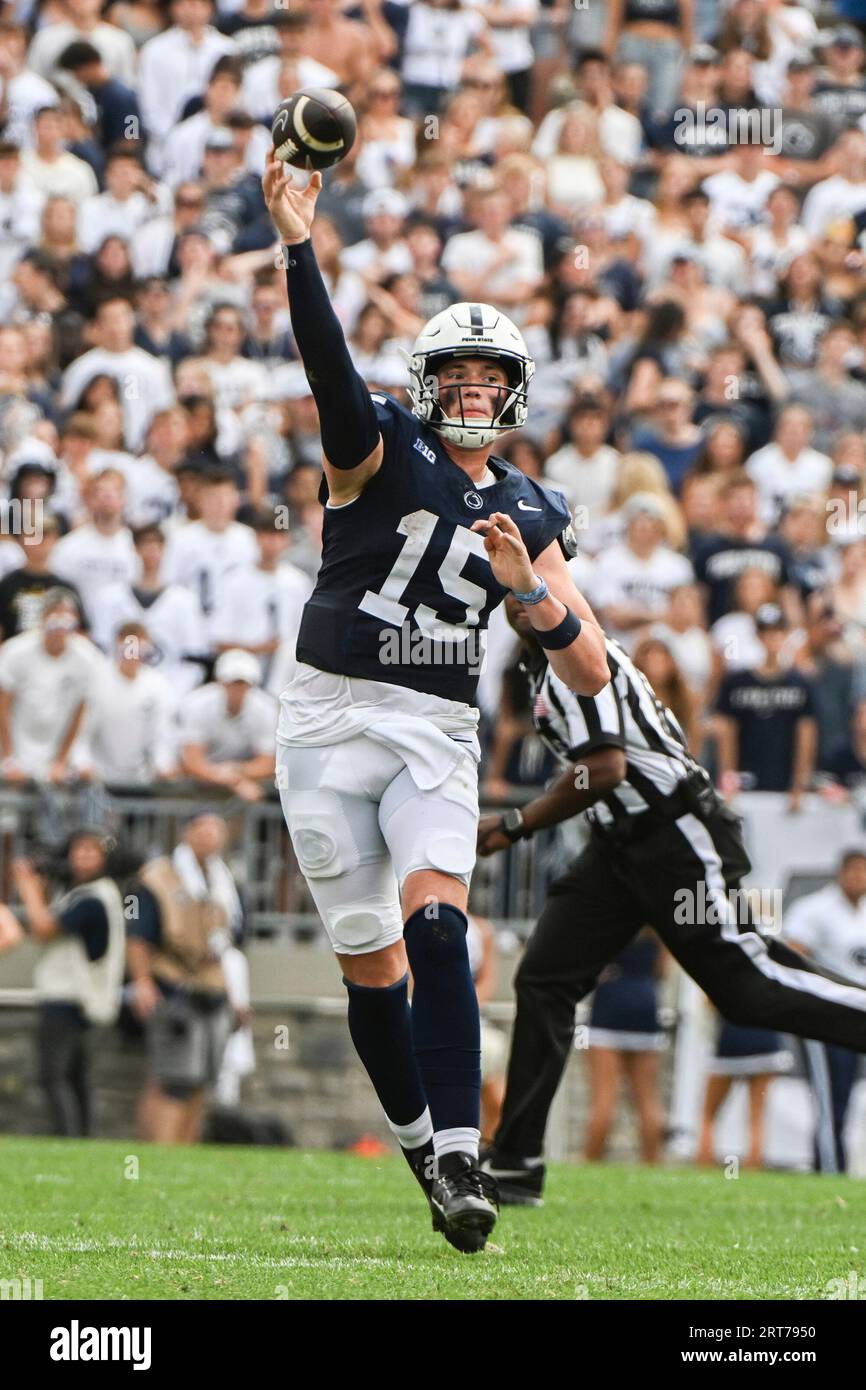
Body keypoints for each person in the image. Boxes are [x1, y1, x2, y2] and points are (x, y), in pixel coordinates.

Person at [262, 148, 608, 1252]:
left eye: (485, 379)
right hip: (323, 722)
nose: (469, 393)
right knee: (368, 965)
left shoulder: (531, 508)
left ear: (511, 395)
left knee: (437, 924)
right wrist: (297, 247)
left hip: (431, 731)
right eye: (452, 376)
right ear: (426, 385)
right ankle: (424, 1151)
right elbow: (323, 365)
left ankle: (462, 1152)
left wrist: (526, 597)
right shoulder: (375, 447)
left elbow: (590, 665)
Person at [476, 595, 866, 1207]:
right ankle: (518, 1159)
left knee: (748, 986)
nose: (523, 598)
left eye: (538, 580)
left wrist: (513, 824)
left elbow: (602, 767)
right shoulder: (533, 663)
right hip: (618, 846)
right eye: (514, 588)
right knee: (545, 979)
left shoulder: (579, 651)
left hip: (673, 834)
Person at [126, 811, 240, 1144]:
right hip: (173, 984)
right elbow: (138, 936)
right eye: (201, 828)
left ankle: (184, 1152)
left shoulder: (224, 879)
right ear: (186, 832)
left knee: (201, 1079)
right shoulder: (158, 877)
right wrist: (142, 982)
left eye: (215, 829)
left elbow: (232, 941)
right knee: (171, 1078)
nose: (209, 836)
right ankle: (160, 1152)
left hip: (213, 986)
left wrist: (235, 994)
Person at [8, 829, 127, 1136]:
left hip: (69, 997)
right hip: (80, 997)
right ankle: (82, 1137)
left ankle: (70, 1136)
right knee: (76, 1075)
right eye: (79, 849)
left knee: (54, 1075)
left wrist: (27, 886)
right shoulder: (84, 893)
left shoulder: (92, 898)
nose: (84, 856)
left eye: (93, 850)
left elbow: (43, 928)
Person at [784, 851, 866, 1173]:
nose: (860, 878)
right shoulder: (814, 910)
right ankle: (829, 1168)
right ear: (841, 873)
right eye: (855, 871)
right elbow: (793, 958)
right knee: (829, 1095)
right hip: (825, 1016)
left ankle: (836, 1164)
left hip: (857, 1015)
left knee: (844, 1095)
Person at [0, 587, 103, 783]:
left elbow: (80, 713)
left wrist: (60, 761)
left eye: (67, 618)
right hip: (16, 748)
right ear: (43, 618)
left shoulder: (88, 659)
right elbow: (2, 707)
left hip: (59, 751)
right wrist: (9, 759)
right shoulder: (15, 651)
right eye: (55, 616)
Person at [585, 930, 667, 1165]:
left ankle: (590, 1164)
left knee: (604, 1100)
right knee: (648, 1101)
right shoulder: (657, 926)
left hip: (609, 1003)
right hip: (646, 1003)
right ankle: (652, 1166)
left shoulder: (609, 917)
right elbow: (662, 971)